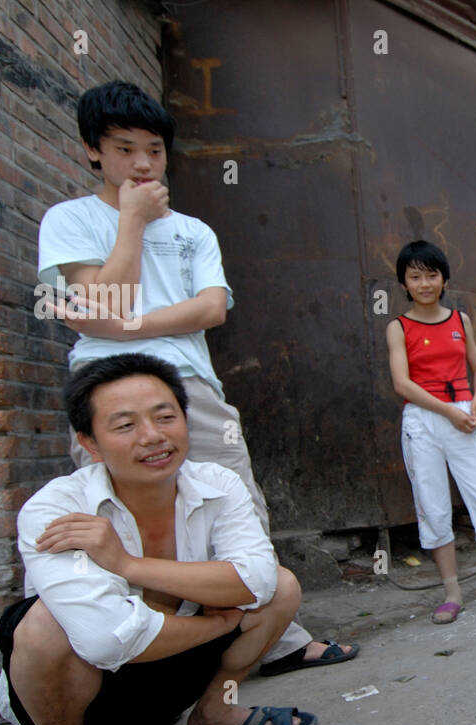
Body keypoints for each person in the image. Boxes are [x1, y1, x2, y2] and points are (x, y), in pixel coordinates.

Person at [37, 80, 354, 674]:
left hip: (191, 389)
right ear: (91, 150)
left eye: (154, 150)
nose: (142, 163)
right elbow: (104, 296)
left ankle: (272, 641)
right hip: (108, 387)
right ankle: (142, 645)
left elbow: (210, 309)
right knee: (119, 514)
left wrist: (125, 328)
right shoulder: (69, 220)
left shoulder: (193, 231)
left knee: (236, 502)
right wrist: (131, 223)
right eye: (125, 148)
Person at [0, 355, 317, 725]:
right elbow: (106, 639)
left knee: (281, 586)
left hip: (179, 665)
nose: (153, 436)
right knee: (41, 627)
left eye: (166, 417)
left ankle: (212, 715)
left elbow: (255, 578)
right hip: (86, 694)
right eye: (125, 425)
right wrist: (216, 622)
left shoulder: (217, 484)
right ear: (90, 443)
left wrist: (126, 563)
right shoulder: (55, 509)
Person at [385, 240, 476, 623]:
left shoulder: (460, 320)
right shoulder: (398, 327)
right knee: (432, 505)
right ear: (404, 283)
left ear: (444, 278)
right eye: (415, 276)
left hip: (462, 414)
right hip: (422, 419)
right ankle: (452, 593)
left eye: (432, 274)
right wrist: (447, 410)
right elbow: (402, 383)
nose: (425, 283)